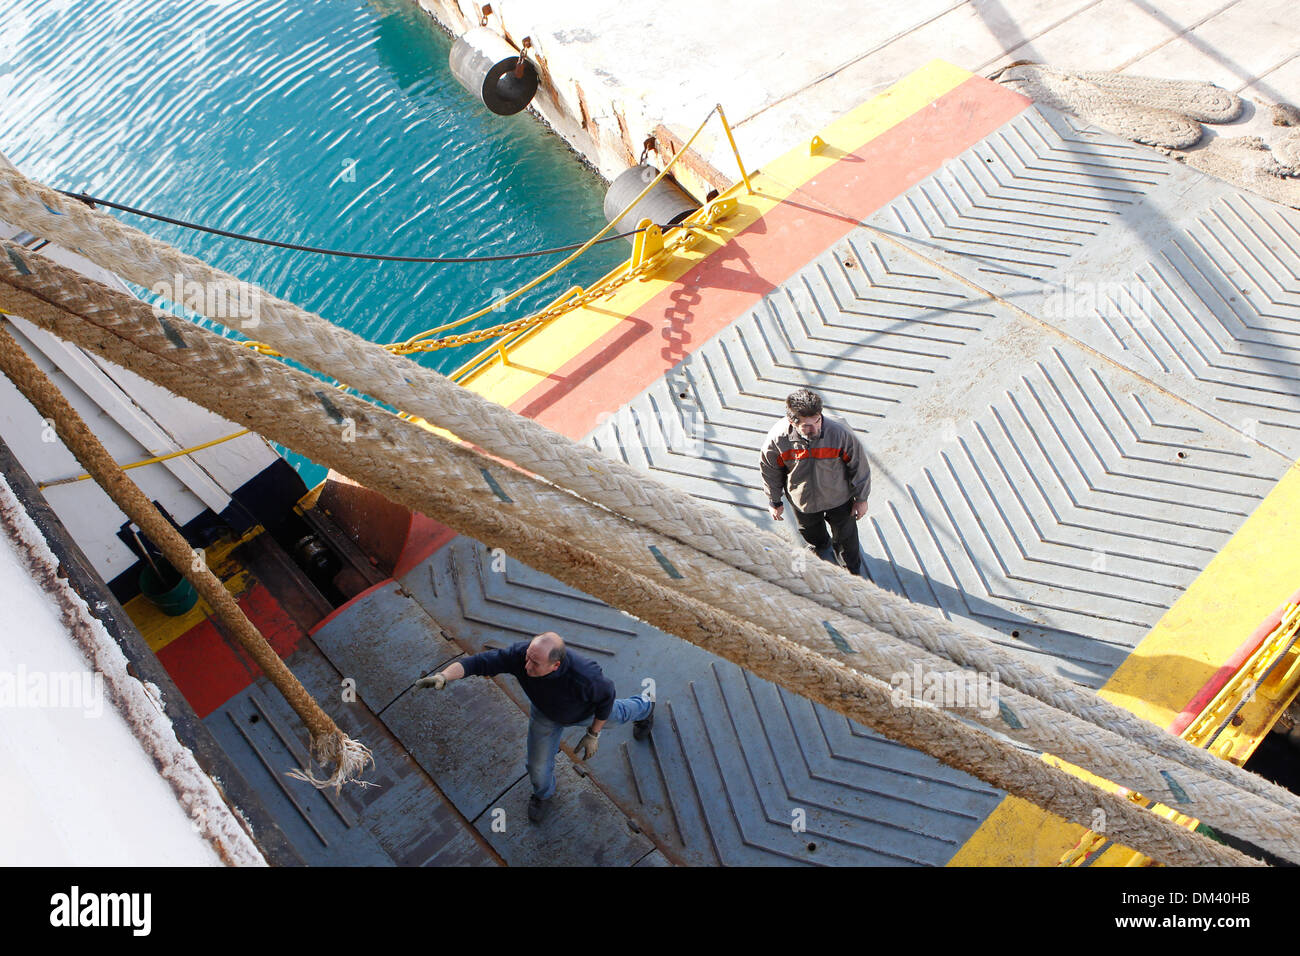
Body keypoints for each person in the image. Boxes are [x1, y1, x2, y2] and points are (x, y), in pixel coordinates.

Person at [414, 631, 653, 823]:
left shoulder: (586, 676)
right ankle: (543, 794)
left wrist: (593, 734)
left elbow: (606, 698)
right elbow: (478, 663)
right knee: (536, 766)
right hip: (545, 714)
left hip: (585, 713)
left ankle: (646, 707)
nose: (526, 666)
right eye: (528, 657)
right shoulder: (521, 656)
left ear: (555, 665)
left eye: (535, 663)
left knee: (622, 712)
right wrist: (444, 676)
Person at [759, 387, 871, 577]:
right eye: (807, 425)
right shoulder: (777, 440)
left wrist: (861, 499)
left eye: (818, 420)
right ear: (791, 422)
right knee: (810, 532)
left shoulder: (840, 433)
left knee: (847, 540)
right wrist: (774, 501)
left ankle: (852, 572)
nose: (816, 428)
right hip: (803, 501)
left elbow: (859, 465)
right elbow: (770, 470)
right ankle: (821, 547)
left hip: (839, 498)